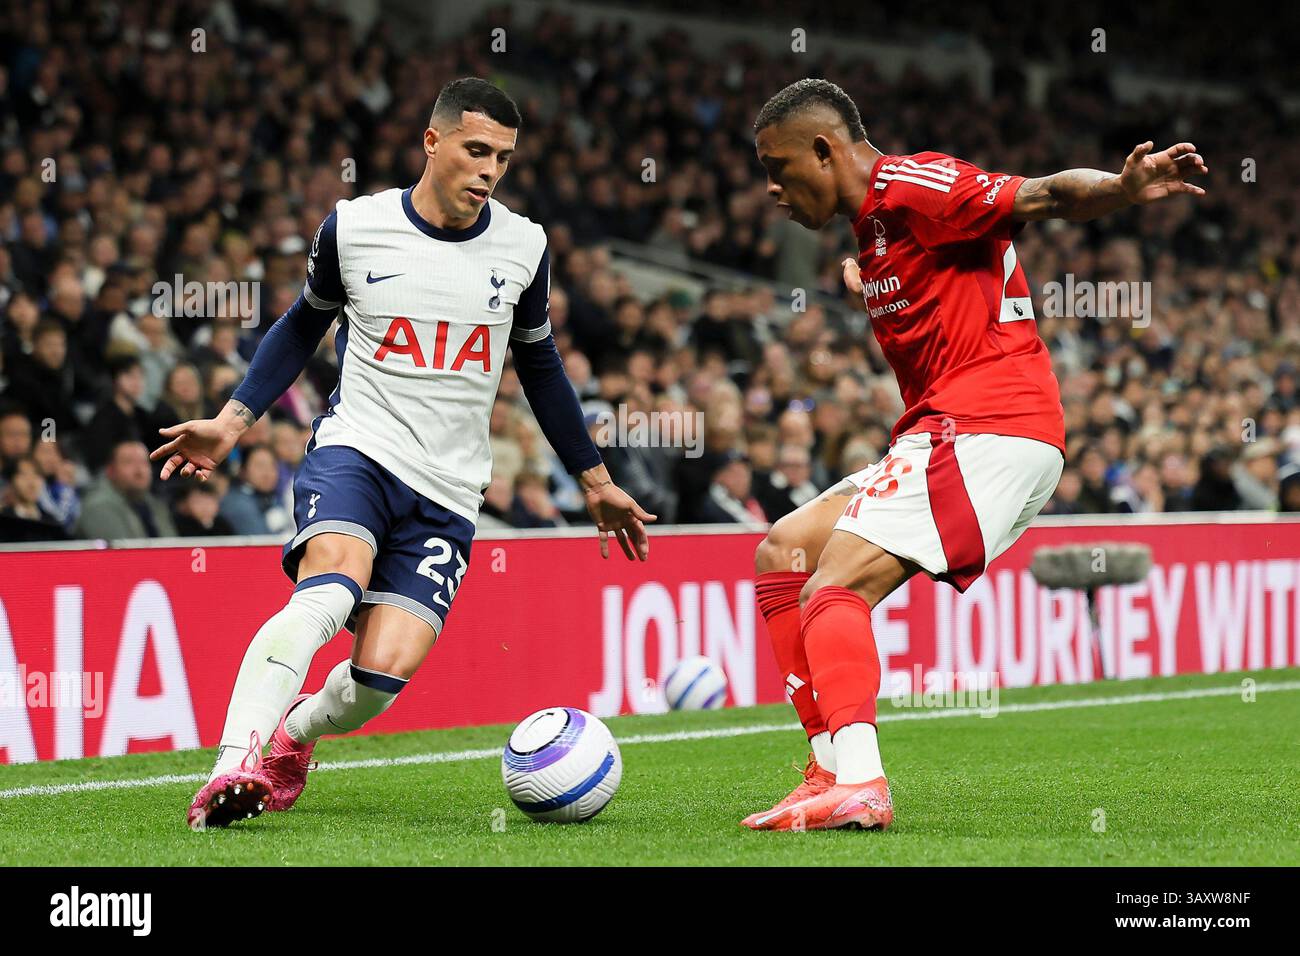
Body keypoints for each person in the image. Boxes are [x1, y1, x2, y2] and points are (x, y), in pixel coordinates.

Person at [151, 78, 656, 830]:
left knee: (377, 682)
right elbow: (299, 325)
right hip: (358, 449)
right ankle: (233, 766)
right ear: (433, 141)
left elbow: (541, 366)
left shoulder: (524, 246)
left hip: (449, 492)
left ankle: (292, 735)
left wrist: (597, 480)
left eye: (504, 158)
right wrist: (232, 421)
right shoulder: (355, 227)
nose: (489, 170)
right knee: (328, 593)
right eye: (476, 149)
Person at [745, 78, 1206, 831]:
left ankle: (859, 783)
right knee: (785, 551)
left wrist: (1121, 188)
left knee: (831, 590)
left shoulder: (913, 185)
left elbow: (1044, 196)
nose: (771, 187)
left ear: (825, 150)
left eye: (777, 165)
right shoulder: (875, 231)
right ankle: (827, 768)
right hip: (957, 429)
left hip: (988, 426)